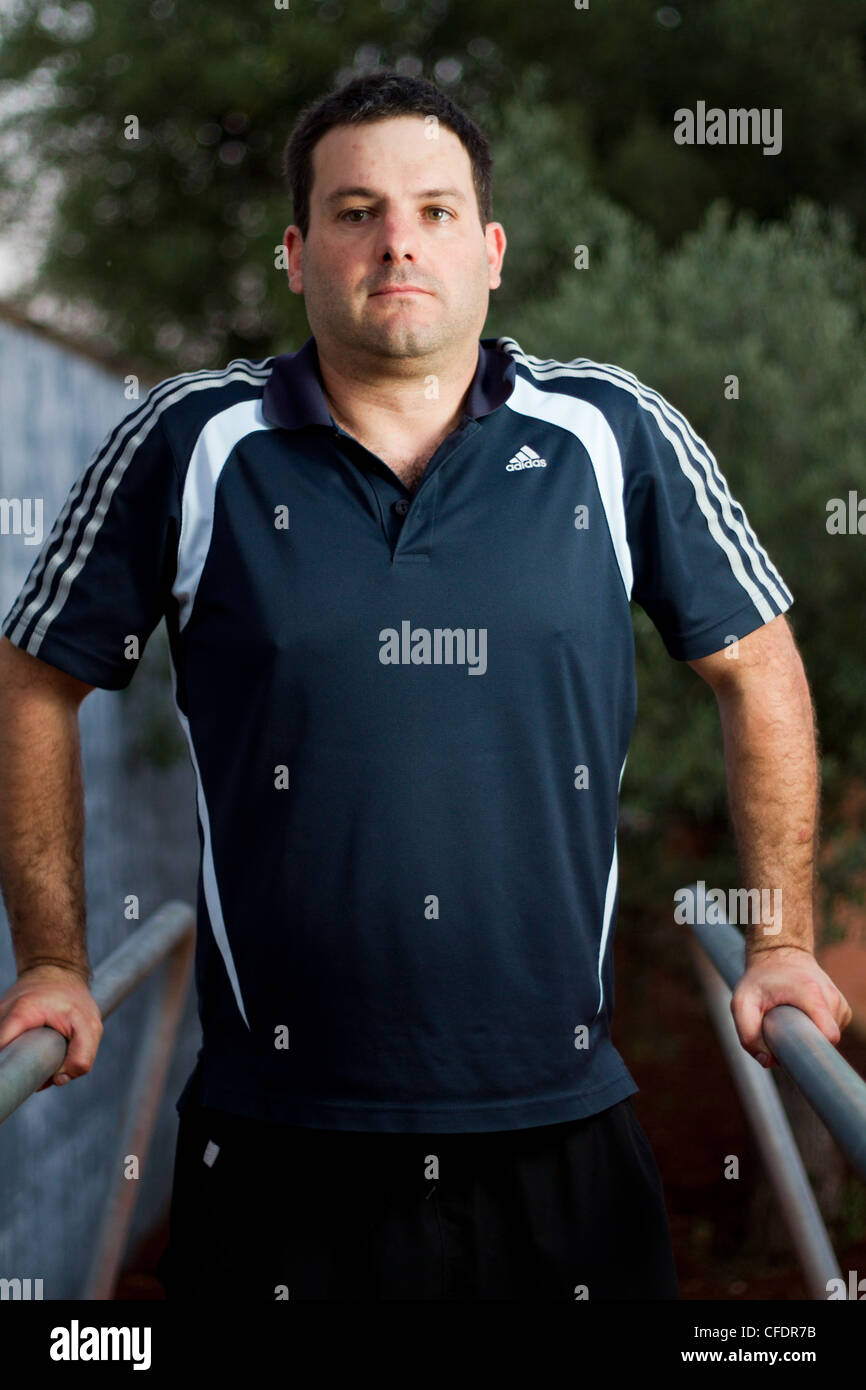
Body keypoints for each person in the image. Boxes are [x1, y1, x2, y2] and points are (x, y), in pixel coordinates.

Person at [0, 69, 851, 1302]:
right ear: (295, 253)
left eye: (434, 210)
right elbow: (34, 677)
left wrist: (779, 939)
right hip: (278, 1145)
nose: (397, 239)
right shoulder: (187, 442)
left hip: (557, 1131)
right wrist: (51, 959)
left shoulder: (614, 434)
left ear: (490, 250)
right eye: (354, 211)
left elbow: (757, 661)